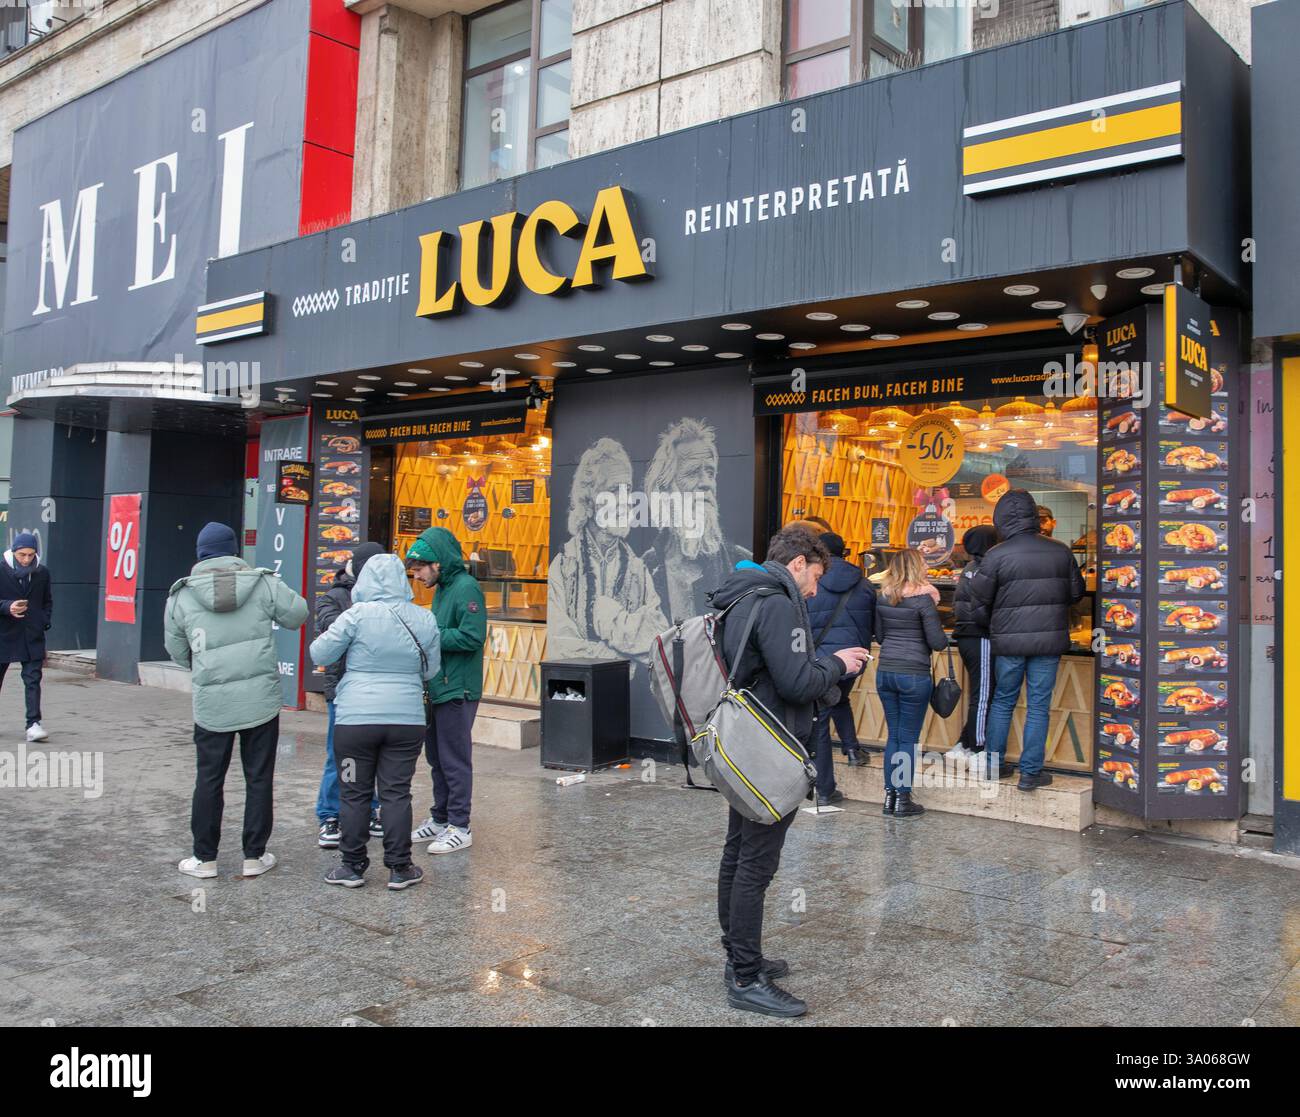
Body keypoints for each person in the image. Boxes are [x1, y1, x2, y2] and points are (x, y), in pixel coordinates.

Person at [708, 526, 869, 1018]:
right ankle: (746, 978)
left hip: (744, 740)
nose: (816, 589)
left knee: (738, 852)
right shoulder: (776, 603)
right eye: (815, 577)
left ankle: (739, 955)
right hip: (769, 746)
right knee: (756, 862)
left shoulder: (740, 596)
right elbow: (797, 683)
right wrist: (838, 665)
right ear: (798, 563)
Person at [164, 522, 307, 879]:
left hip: (212, 704)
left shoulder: (180, 596)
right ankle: (254, 856)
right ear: (234, 551)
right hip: (260, 700)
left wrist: (205, 667)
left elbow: (177, 650)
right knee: (259, 777)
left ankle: (205, 858)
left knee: (208, 778)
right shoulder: (262, 584)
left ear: (200, 554)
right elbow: (299, 614)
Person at [310, 552, 440, 890]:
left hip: (355, 722)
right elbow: (432, 670)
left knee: (354, 792)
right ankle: (400, 868)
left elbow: (320, 653)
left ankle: (352, 866)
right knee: (397, 792)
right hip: (406, 721)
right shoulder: (423, 618)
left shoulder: (355, 616)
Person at [968, 490, 1087, 791]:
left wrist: (994, 625)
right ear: (1035, 517)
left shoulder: (996, 555)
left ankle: (994, 765)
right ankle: (1031, 772)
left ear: (1002, 519)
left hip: (1008, 642)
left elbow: (978, 603)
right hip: (1048, 641)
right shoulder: (1060, 551)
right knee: (1038, 705)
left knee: (1002, 701)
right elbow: (1076, 594)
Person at [547, 437, 668, 664]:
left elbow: (657, 637)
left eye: (628, 489)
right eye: (614, 489)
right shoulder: (564, 566)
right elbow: (561, 647)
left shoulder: (637, 567)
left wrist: (613, 620)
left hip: (625, 691)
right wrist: (624, 655)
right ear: (589, 498)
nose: (626, 500)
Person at [406, 526, 487, 854]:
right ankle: (440, 818)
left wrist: (431, 634)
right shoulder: (443, 588)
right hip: (440, 686)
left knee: (454, 758)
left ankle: (460, 826)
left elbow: (472, 637)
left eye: (420, 567)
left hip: (459, 689)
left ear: (438, 563)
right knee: (437, 756)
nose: (416, 575)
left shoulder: (467, 587)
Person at [641, 418, 751, 621]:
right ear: (665, 489)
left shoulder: (742, 563)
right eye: (692, 473)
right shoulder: (646, 568)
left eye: (710, 472)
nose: (706, 483)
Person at [313, 542, 384, 848]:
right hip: (342, 687)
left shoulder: (383, 596)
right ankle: (329, 814)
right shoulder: (334, 597)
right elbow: (329, 629)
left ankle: (368, 808)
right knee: (337, 754)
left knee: (372, 754)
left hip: (375, 687)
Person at [874, 548, 948, 818]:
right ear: (917, 567)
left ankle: (889, 797)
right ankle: (903, 799)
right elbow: (938, 642)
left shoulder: (882, 597)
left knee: (893, 736)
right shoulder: (924, 600)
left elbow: (880, 635)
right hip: (914, 675)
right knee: (908, 738)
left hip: (886, 673)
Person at [805, 532, 876, 794]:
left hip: (822, 660)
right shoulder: (865, 583)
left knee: (821, 719)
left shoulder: (812, 581)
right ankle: (852, 749)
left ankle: (824, 789)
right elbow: (874, 626)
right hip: (855, 659)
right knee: (840, 699)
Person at [949, 525, 1015, 778]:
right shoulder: (985, 569)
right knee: (984, 694)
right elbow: (985, 609)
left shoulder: (970, 568)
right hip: (980, 636)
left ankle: (964, 742)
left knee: (982, 692)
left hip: (969, 636)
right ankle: (977, 747)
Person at [0, 532, 54, 742]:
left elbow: (47, 600)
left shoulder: (42, 572)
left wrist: (43, 620)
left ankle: (33, 724)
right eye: (22, 554)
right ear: (13, 551)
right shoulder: (1, 569)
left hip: (32, 634)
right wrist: (7, 607)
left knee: (33, 680)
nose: (26, 559)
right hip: (4, 633)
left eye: (31, 555)